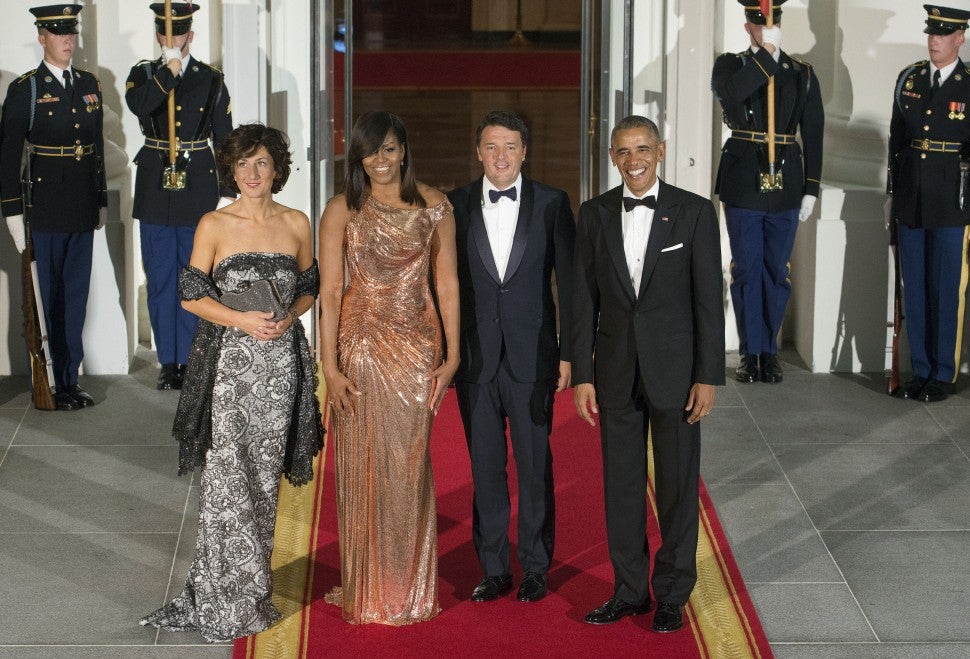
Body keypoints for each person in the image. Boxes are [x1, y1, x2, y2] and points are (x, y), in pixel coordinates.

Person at [139, 123, 322, 642]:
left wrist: (292, 315)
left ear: (277, 168)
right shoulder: (214, 224)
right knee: (225, 484)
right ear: (231, 170)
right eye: (242, 164)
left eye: (261, 162)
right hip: (229, 372)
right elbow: (190, 295)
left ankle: (251, 593)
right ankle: (220, 600)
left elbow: (309, 286)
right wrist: (241, 320)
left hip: (280, 369)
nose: (251, 173)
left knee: (263, 484)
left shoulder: (296, 223)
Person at [571, 115, 724, 633]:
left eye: (642, 149)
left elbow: (709, 302)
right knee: (621, 486)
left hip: (678, 374)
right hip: (614, 370)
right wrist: (582, 373)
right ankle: (630, 590)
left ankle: (672, 595)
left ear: (660, 150)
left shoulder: (695, 213)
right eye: (622, 152)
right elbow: (581, 299)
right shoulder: (593, 214)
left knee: (679, 488)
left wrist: (709, 375)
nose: (633, 160)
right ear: (611, 157)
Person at [319, 111, 460, 625]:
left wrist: (454, 354)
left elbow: (447, 285)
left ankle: (408, 587)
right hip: (359, 347)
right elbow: (331, 292)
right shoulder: (342, 210)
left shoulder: (436, 207)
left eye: (390, 149)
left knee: (408, 465)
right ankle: (368, 588)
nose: (381, 161)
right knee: (362, 464)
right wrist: (329, 368)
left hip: (416, 348)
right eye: (371, 152)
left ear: (404, 150)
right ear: (357, 156)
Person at [447, 110, 574, 603]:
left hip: (534, 357)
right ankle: (494, 567)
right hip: (475, 360)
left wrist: (567, 356)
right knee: (485, 467)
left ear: (525, 152)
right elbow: (443, 286)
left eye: (510, 147)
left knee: (534, 465)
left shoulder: (552, 203)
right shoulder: (454, 205)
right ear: (478, 152)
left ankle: (537, 567)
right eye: (492, 147)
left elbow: (571, 285)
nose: (501, 157)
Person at [0, 4, 107, 411]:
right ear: (42, 38)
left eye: (72, 33)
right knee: (45, 299)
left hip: (80, 206)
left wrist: (100, 200)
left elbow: (95, 150)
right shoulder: (26, 89)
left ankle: (68, 379)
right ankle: (44, 377)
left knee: (74, 298)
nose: (68, 40)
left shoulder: (89, 83)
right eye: (59, 33)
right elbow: (8, 155)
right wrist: (12, 212)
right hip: (43, 210)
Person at [711, 0, 823, 384]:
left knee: (776, 271)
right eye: (759, 25)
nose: (765, 29)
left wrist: (812, 187)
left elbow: (814, 133)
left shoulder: (803, 73)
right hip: (744, 179)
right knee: (746, 270)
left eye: (771, 23)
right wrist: (768, 56)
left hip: (786, 181)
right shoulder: (730, 65)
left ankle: (769, 352)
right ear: (748, 28)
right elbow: (734, 94)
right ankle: (749, 352)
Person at [125, 2, 234, 390]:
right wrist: (167, 75)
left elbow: (224, 137)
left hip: (196, 187)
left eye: (181, 33)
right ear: (158, 35)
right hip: (156, 184)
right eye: (167, 33)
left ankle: (190, 359)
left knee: (194, 277)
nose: (174, 40)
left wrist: (227, 192)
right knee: (160, 278)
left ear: (191, 34)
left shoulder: (210, 78)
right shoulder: (143, 75)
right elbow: (139, 106)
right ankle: (167, 361)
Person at [887, 5, 970, 403]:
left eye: (943, 34)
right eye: (931, 33)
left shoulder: (969, 85)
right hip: (911, 198)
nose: (934, 40)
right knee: (915, 287)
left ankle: (942, 373)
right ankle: (919, 370)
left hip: (953, 202)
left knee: (946, 288)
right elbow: (897, 141)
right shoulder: (910, 78)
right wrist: (893, 195)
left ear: (960, 39)